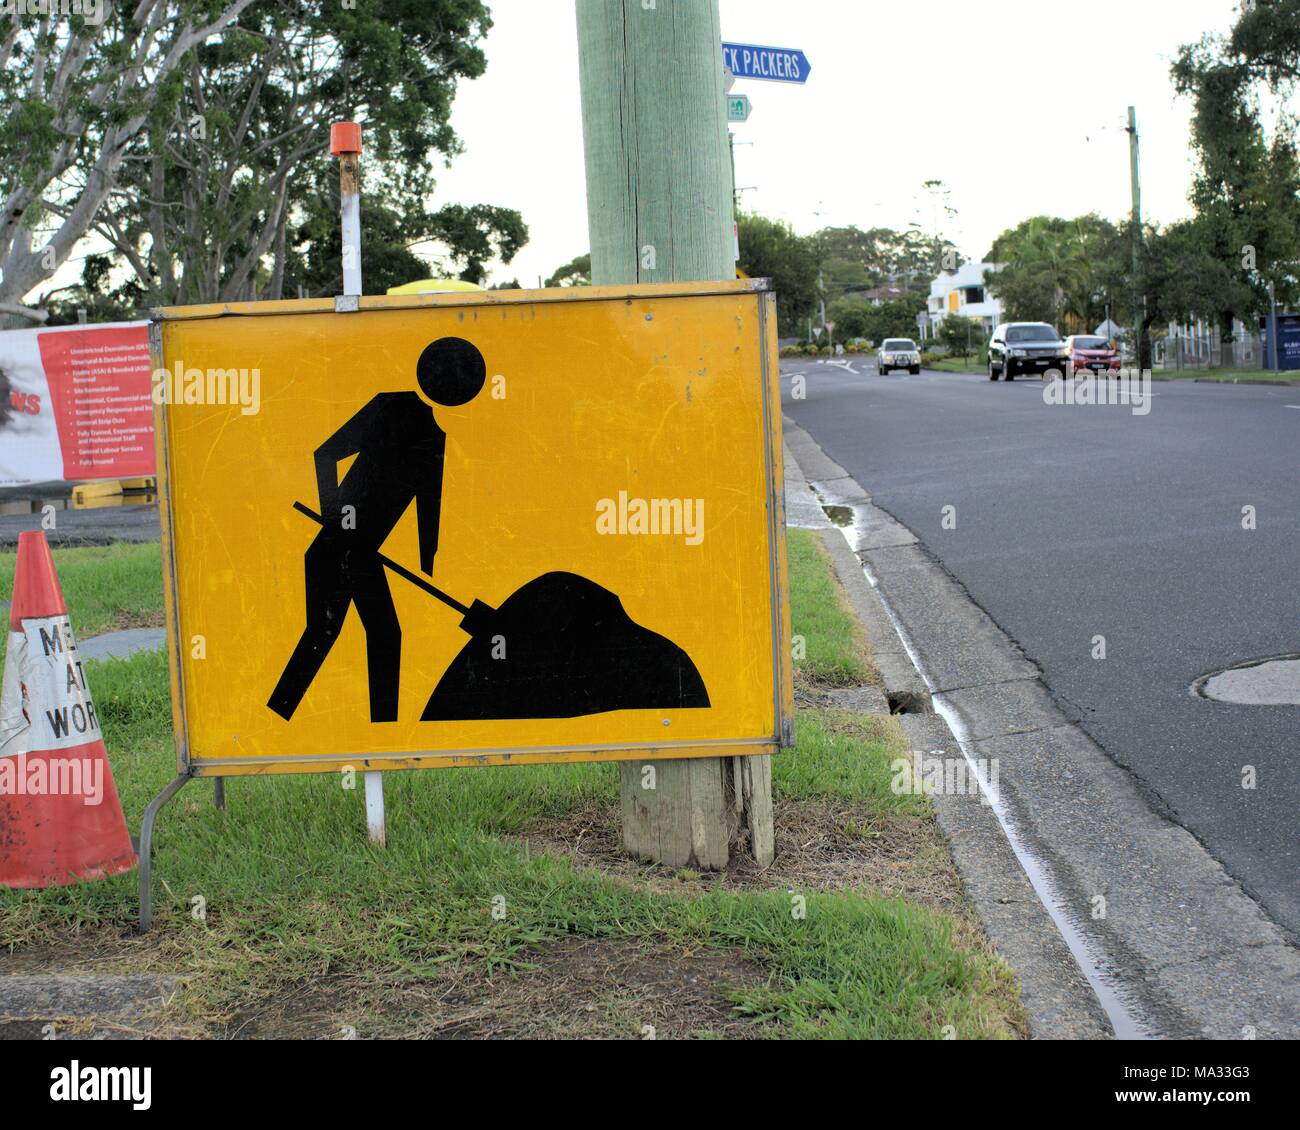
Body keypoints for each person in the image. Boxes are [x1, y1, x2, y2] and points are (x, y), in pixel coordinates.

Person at [268, 336, 486, 722]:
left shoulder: (434, 438)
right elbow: (325, 454)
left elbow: (427, 514)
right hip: (336, 549)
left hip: (361, 553)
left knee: (370, 636)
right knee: (327, 634)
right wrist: (333, 514)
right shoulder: (390, 405)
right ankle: (282, 716)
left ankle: (377, 729)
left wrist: (427, 565)